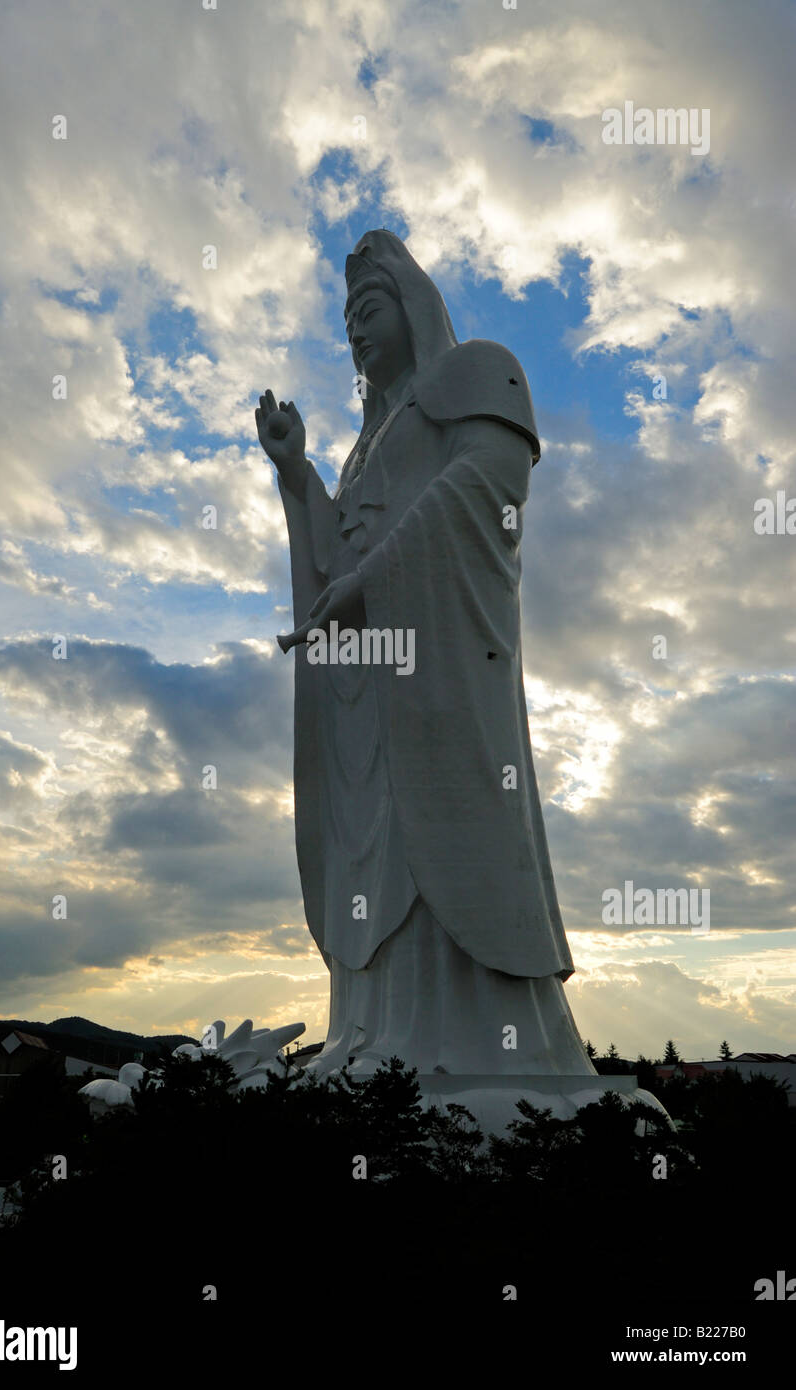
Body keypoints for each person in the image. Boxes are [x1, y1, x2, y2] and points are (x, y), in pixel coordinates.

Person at [256, 229, 596, 1082]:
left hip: (440, 661)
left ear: (413, 305)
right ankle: (373, 1036)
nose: (355, 332)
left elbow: (489, 483)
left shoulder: (476, 372)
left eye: (368, 309)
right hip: (371, 688)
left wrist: (380, 576)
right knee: (374, 843)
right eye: (344, 321)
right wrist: (299, 476)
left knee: (441, 827)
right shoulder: (367, 441)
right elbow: (338, 558)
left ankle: (468, 1044)